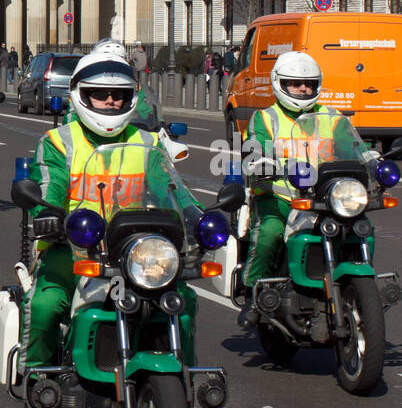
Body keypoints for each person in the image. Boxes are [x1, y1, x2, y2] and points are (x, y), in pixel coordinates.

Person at [19, 43, 202, 375]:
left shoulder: (147, 142)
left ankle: (184, 379)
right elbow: (50, 185)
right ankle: (37, 377)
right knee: (46, 304)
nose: (110, 101)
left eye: (118, 94)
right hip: (73, 248)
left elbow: (172, 188)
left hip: (136, 249)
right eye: (100, 93)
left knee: (183, 301)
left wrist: (197, 217)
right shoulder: (59, 141)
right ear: (81, 95)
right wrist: (47, 213)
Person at [239, 50, 369, 324]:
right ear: (279, 84)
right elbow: (253, 152)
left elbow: (355, 147)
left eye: (309, 84)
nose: (303, 88)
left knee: (361, 229)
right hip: (281, 200)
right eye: (295, 83)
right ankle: (253, 292)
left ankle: (362, 290)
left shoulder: (331, 117)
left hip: (326, 200)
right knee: (269, 235)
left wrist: (374, 162)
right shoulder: (265, 119)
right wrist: (261, 163)